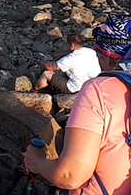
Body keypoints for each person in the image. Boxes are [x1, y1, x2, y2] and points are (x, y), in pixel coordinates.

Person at [24, 15, 131, 194]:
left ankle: (38, 93)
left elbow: (70, 175)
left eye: (99, 55)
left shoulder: (100, 90)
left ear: (110, 57)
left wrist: (37, 162)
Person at [35, 33, 101, 94]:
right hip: (91, 84)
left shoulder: (70, 59)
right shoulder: (91, 51)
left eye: (66, 44)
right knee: (61, 71)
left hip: (75, 89)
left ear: (72, 45)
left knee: (46, 74)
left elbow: (51, 67)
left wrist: (41, 62)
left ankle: (36, 91)